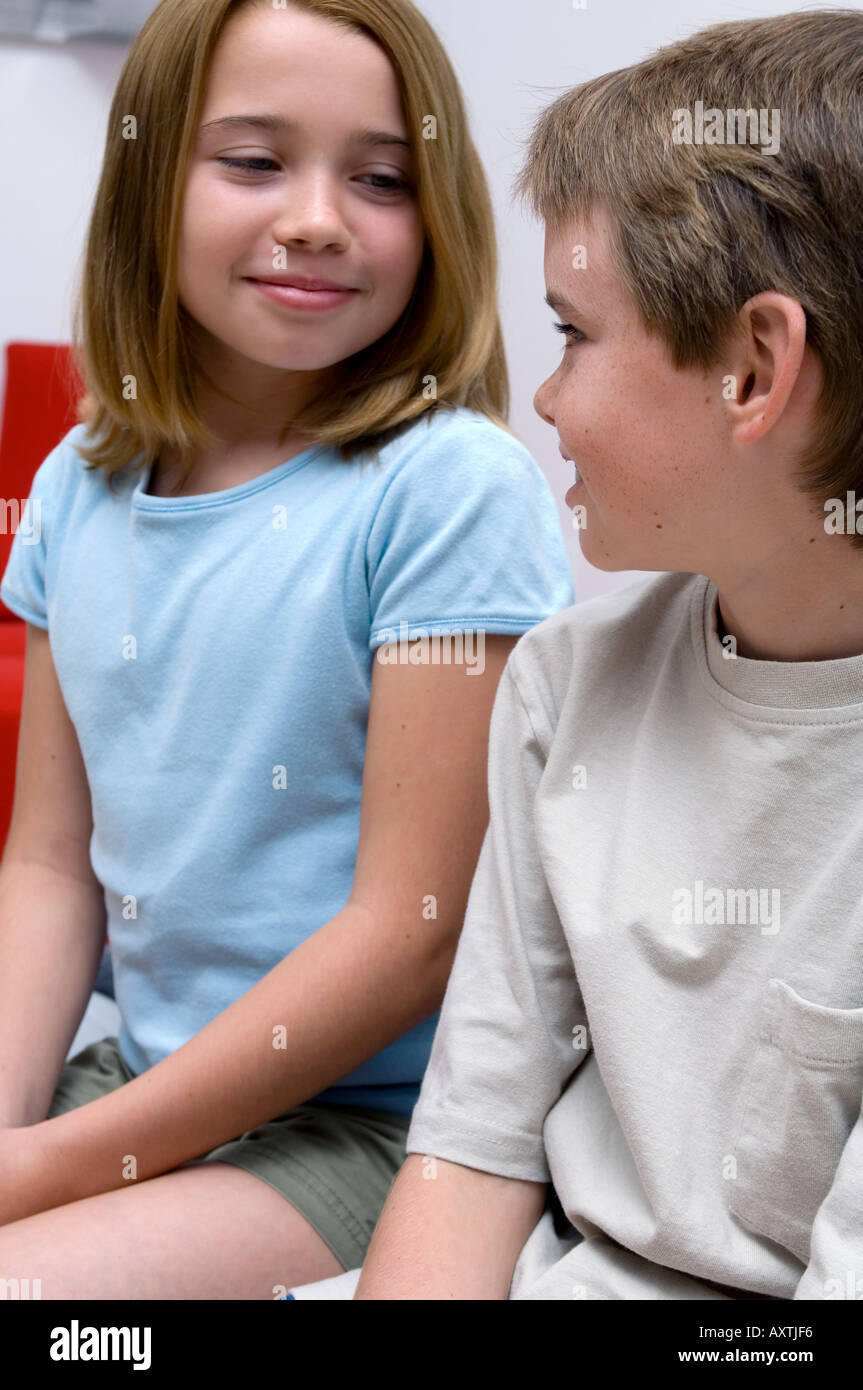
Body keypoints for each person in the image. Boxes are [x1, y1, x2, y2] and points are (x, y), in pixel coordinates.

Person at [0, 0, 574, 1298]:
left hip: (374, 1130)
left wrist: (50, 1168)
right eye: (255, 161)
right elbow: (46, 866)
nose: (320, 215)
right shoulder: (78, 487)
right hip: (141, 1082)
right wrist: (16, 1128)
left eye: (381, 177)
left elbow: (408, 932)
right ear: (153, 184)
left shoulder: (446, 487)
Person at [354, 8, 863, 1300]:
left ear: (756, 369)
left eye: (574, 333)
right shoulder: (562, 687)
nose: (545, 397)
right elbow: (469, 1157)